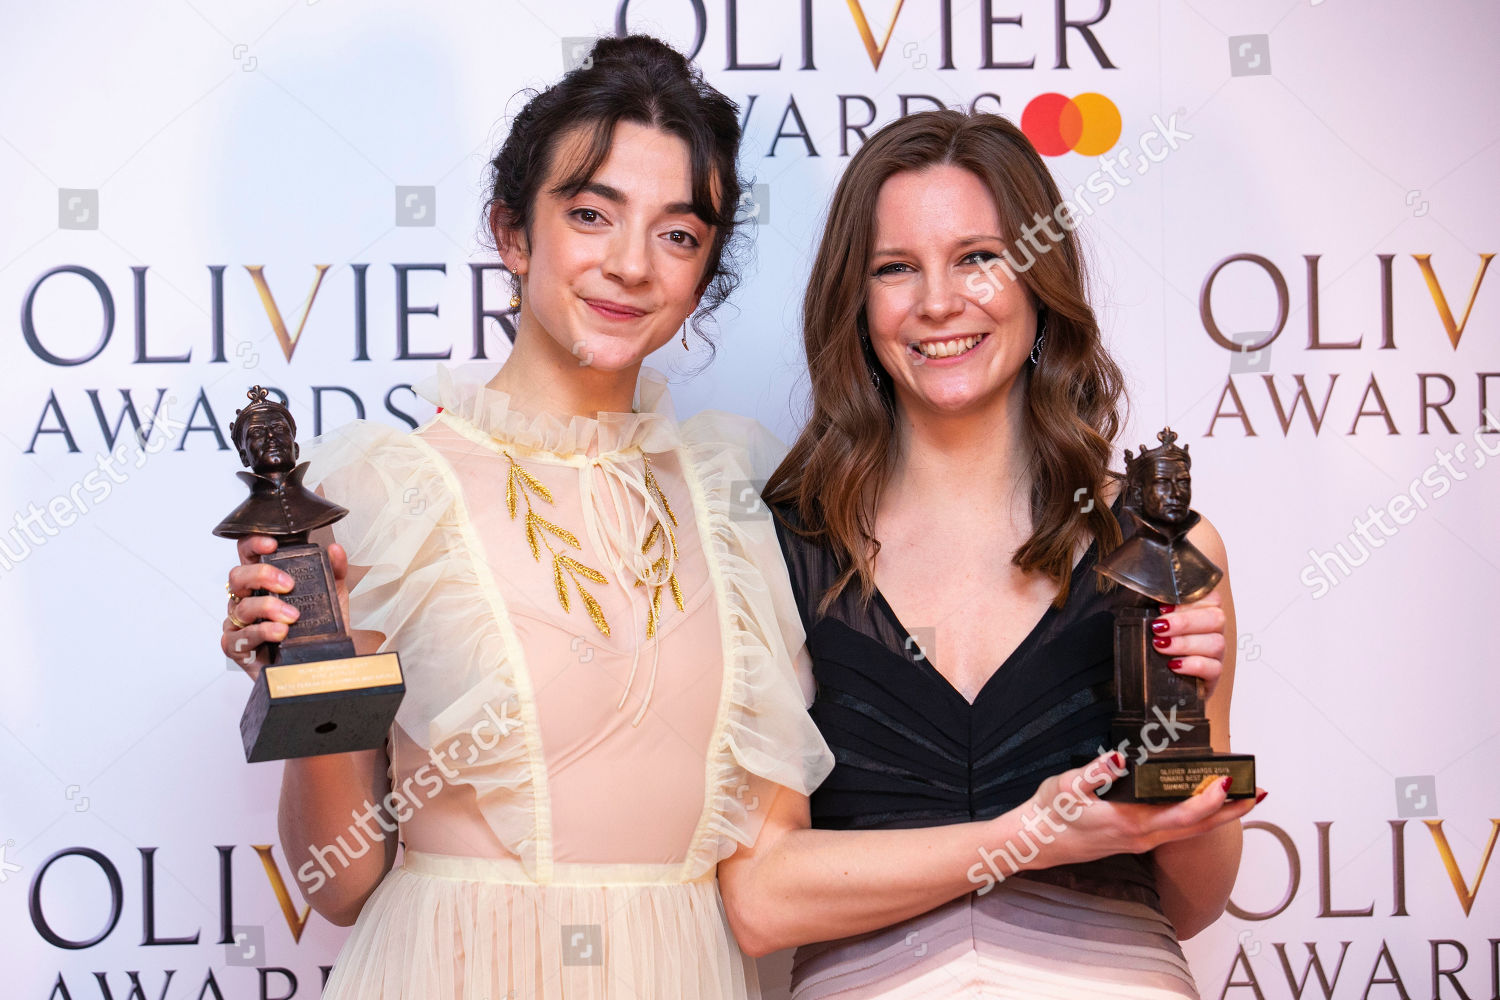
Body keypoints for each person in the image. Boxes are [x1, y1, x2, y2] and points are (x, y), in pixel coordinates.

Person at [220, 36, 834, 999]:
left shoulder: (737, 488)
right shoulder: (380, 489)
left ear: (706, 271)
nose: (630, 265)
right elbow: (334, 883)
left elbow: (773, 856)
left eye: (678, 234)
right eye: (591, 214)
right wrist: (308, 677)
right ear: (513, 234)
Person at [723, 110, 1263, 998]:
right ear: (856, 305)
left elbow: (1193, 898)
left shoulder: (1165, 547)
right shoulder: (784, 548)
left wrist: (1191, 742)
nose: (938, 302)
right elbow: (759, 901)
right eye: (896, 268)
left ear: (1040, 279)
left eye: (978, 256)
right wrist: (1028, 835)